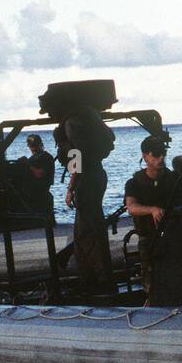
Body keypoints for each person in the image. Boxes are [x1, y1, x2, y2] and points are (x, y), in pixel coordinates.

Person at [54, 105, 117, 298]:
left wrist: (71, 188)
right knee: (90, 229)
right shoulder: (88, 119)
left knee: (88, 233)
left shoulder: (71, 123)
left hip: (86, 180)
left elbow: (77, 158)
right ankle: (95, 279)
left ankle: (98, 281)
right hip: (95, 176)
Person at [124, 135, 178, 303]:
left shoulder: (174, 179)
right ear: (145, 156)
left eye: (163, 153)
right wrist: (152, 210)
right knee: (151, 282)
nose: (161, 158)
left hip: (173, 236)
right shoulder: (135, 183)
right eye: (156, 154)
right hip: (149, 238)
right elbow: (131, 207)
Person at [22, 133, 56, 223]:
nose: (32, 148)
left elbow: (39, 174)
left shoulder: (46, 157)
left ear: (40, 144)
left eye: (34, 145)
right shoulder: (33, 158)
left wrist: (28, 165)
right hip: (32, 194)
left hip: (41, 193)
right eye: (31, 146)